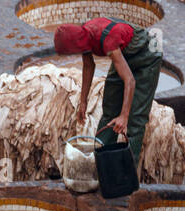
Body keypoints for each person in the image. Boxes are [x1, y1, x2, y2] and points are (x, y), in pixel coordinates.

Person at [54, 17, 163, 172]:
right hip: (124, 53)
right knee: (109, 111)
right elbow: (88, 65)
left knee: (136, 119)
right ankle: (102, 166)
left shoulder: (108, 41)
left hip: (148, 55)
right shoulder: (83, 36)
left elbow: (130, 81)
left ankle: (127, 175)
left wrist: (124, 116)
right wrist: (83, 101)